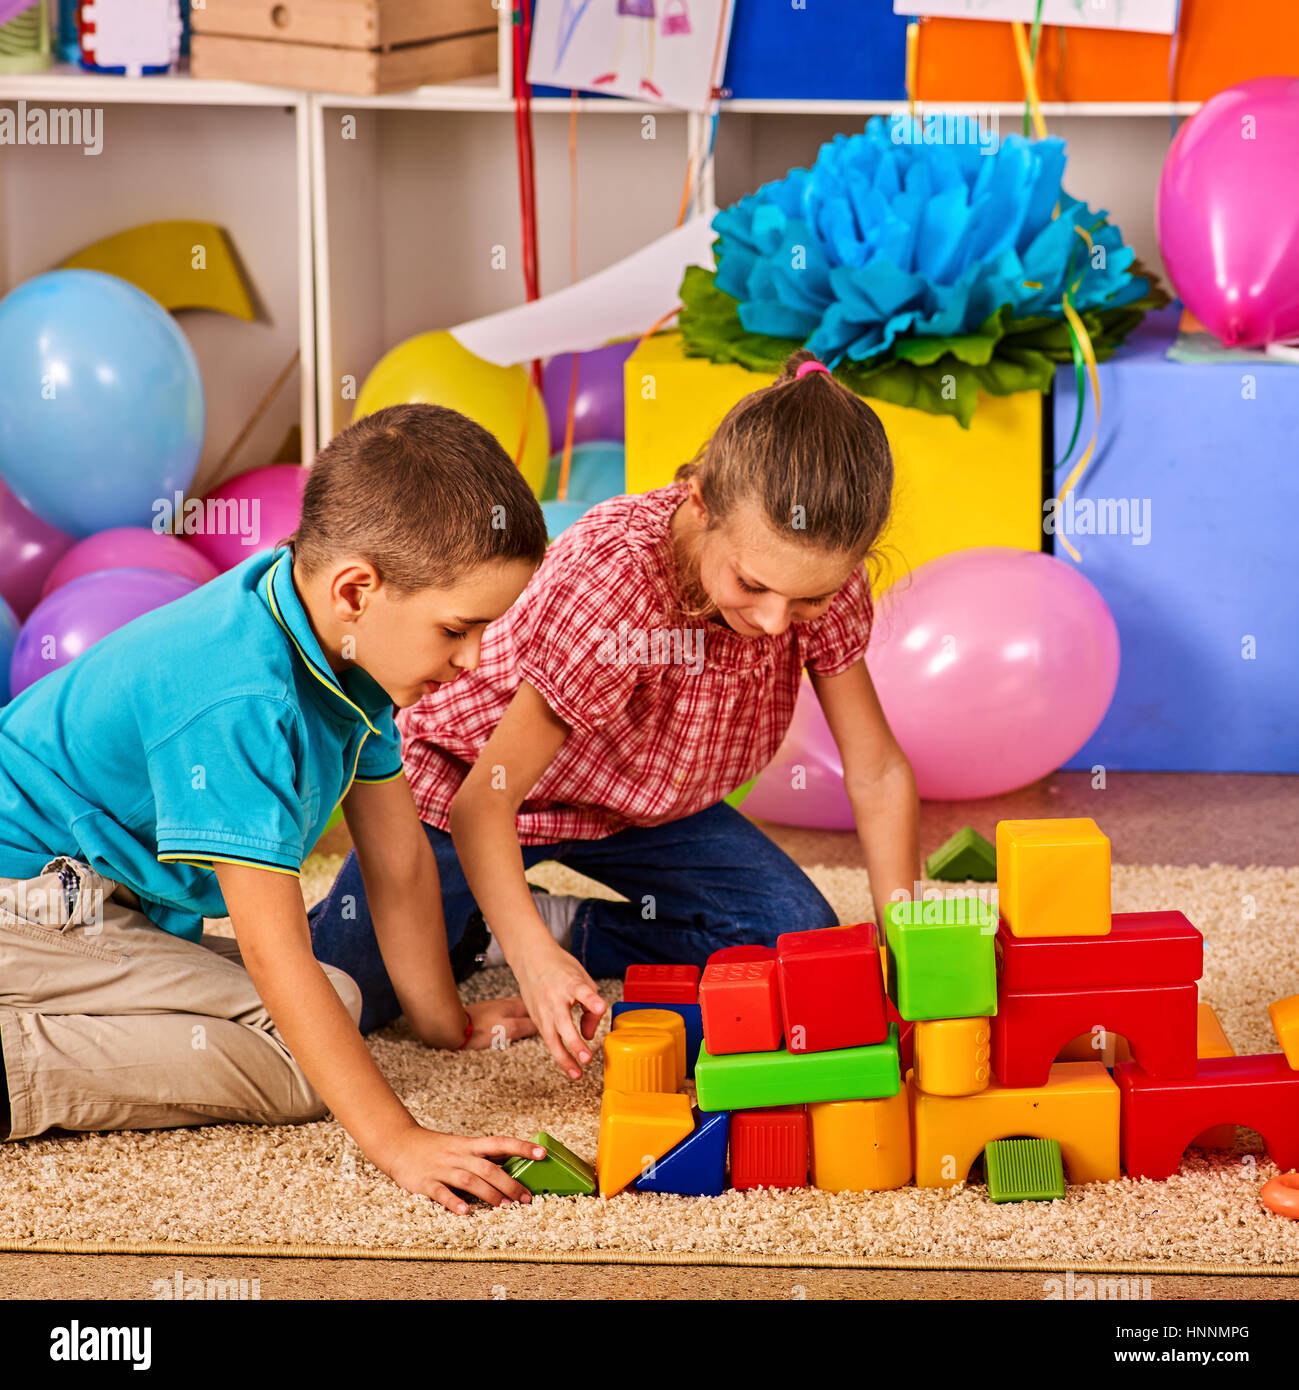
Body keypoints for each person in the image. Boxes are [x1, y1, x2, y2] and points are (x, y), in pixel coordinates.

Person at [0, 403, 552, 1215]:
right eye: (457, 629)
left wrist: (446, 1025)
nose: (472, 661)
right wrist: (397, 1141)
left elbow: (396, 863)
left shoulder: (336, 639)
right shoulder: (237, 693)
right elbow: (272, 950)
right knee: (299, 1064)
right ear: (357, 589)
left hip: (89, 905)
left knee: (343, 1004)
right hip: (27, 901)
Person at [310, 351, 921, 1084]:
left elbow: (877, 769)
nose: (772, 621)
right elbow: (487, 799)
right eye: (752, 584)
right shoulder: (612, 580)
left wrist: (901, 940)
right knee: (347, 993)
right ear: (698, 501)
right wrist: (534, 963)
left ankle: (552, 923)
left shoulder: (817, 579)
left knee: (799, 943)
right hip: (477, 790)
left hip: (646, 810)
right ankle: (503, 924)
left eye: (807, 601)